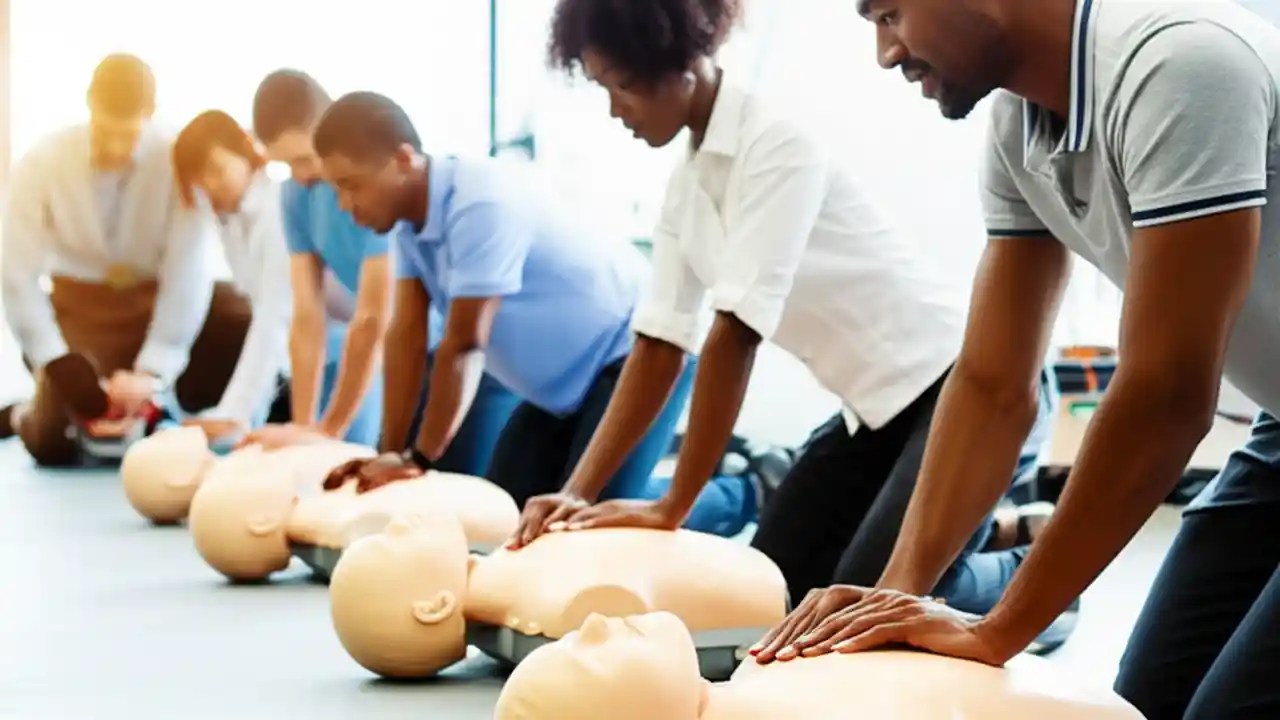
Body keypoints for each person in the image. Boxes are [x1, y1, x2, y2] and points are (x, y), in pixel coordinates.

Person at [750, 1, 1280, 718]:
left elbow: (1167, 394)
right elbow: (994, 383)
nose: (885, 52)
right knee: (1148, 699)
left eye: (890, 13)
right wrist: (896, 594)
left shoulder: (1182, 64)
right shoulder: (1017, 129)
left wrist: (999, 629)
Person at [511, 0, 1055, 621]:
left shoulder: (776, 146)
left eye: (625, 87)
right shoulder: (686, 186)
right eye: (606, 91)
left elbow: (735, 336)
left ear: (683, 61)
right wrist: (575, 493)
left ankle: (1037, 576)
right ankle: (1002, 527)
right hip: (872, 414)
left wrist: (675, 504)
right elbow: (659, 344)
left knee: (868, 598)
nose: (617, 111)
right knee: (770, 590)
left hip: (962, 382)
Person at [309, 91, 755, 537]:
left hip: (631, 358)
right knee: (510, 522)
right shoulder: (408, 224)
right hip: (556, 392)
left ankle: (746, 493)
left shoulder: (478, 201)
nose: (347, 207)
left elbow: (464, 345)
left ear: (403, 159)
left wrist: (417, 459)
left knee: (592, 527)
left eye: (352, 185)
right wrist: (389, 452)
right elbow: (404, 334)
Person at [239, 70, 519, 472]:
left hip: (454, 354)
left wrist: (328, 431)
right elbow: (306, 316)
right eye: (286, 166)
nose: (300, 176)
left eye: (303, 158)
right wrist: (305, 429)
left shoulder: (370, 189)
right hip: (399, 351)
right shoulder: (295, 195)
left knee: (446, 484)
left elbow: (373, 316)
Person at [0, 54, 251, 465]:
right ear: (88, 105)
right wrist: (54, 359)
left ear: (149, 115)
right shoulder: (41, 162)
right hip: (78, 319)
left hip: (149, 309)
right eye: (104, 131)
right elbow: (17, 277)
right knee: (51, 441)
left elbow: (187, 275)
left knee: (237, 312)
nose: (115, 147)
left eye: (127, 134)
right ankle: (21, 414)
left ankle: (172, 406)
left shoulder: (176, 158)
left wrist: (152, 372)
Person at [168, 110, 297, 443]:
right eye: (199, 179)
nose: (210, 186)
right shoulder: (231, 220)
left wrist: (236, 413)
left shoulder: (275, 210)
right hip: (289, 363)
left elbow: (273, 317)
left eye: (217, 170)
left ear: (246, 151)